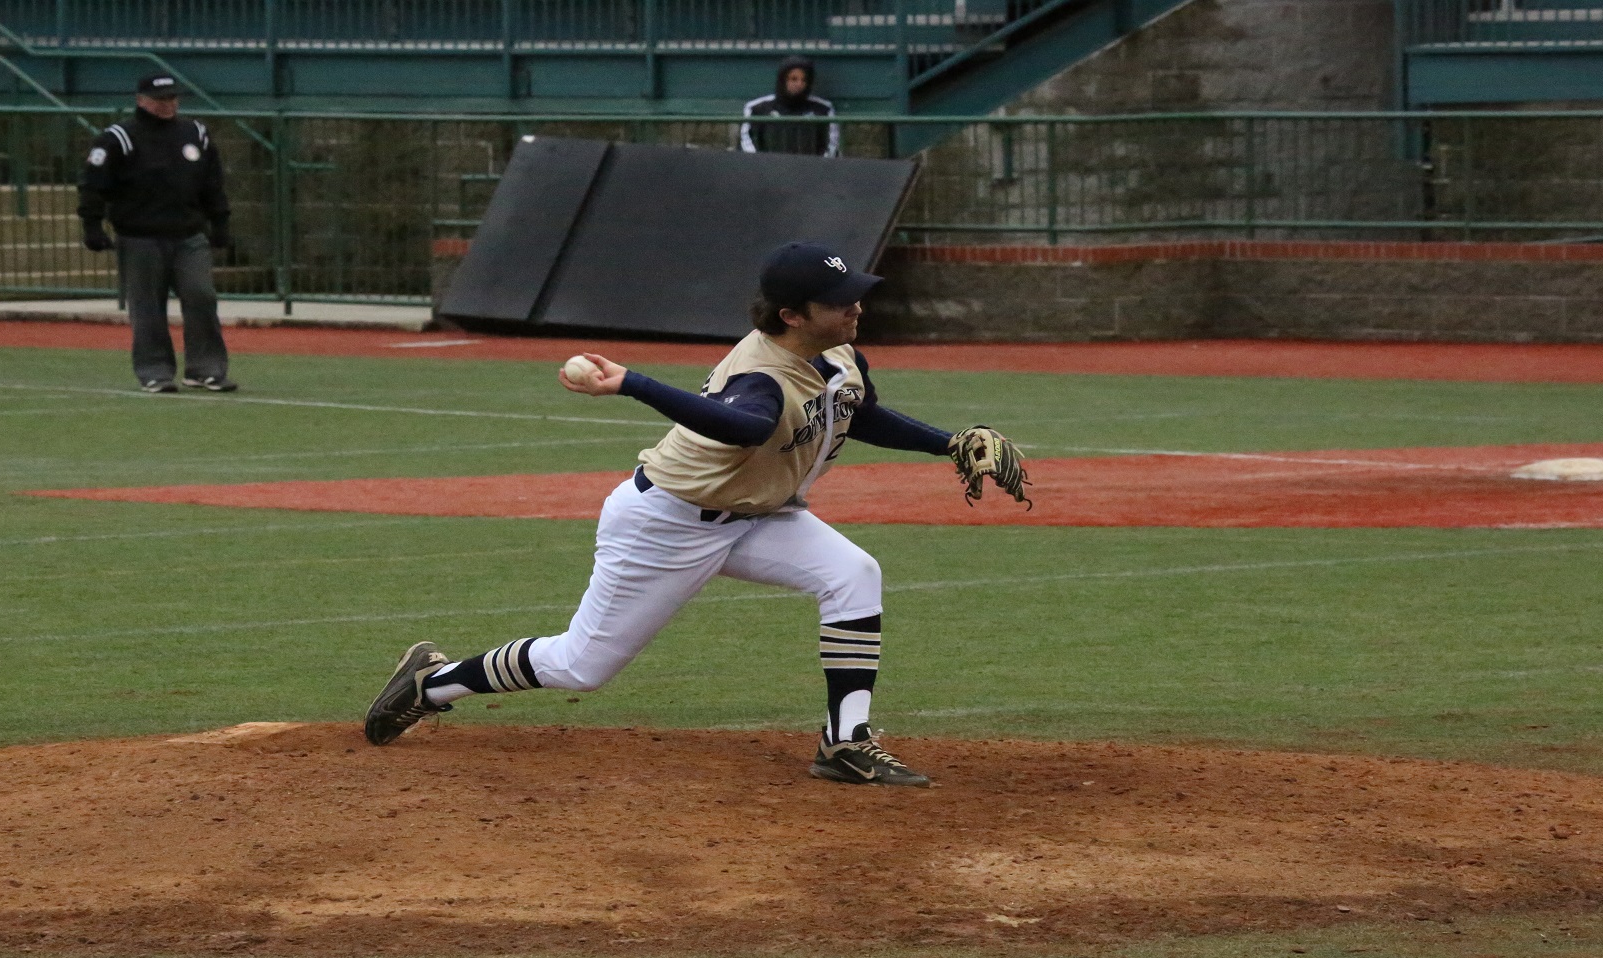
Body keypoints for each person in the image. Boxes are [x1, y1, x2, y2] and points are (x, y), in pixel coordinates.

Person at [363, 242, 984, 787]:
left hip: (758, 516)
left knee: (854, 573)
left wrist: (948, 442)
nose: (855, 309)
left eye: (854, 295)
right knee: (581, 666)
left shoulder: (841, 352)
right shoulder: (762, 377)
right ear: (792, 316)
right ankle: (433, 681)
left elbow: (859, 411)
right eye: (839, 301)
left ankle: (845, 743)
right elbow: (743, 425)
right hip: (666, 524)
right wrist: (635, 383)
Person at [77, 72, 237, 394]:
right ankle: (155, 371)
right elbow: (93, 185)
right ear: (141, 100)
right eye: (160, 99)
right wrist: (92, 226)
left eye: (172, 98)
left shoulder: (196, 134)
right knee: (148, 306)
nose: (168, 105)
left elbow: (212, 184)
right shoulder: (118, 137)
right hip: (140, 237)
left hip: (189, 235)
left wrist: (220, 223)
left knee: (201, 296)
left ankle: (205, 369)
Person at [739, 56, 839, 158]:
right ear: (783, 80)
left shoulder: (823, 109)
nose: (799, 84)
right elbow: (747, 140)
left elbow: (832, 143)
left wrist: (819, 166)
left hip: (812, 170)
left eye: (804, 80)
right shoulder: (757, 108)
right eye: (794, 79)